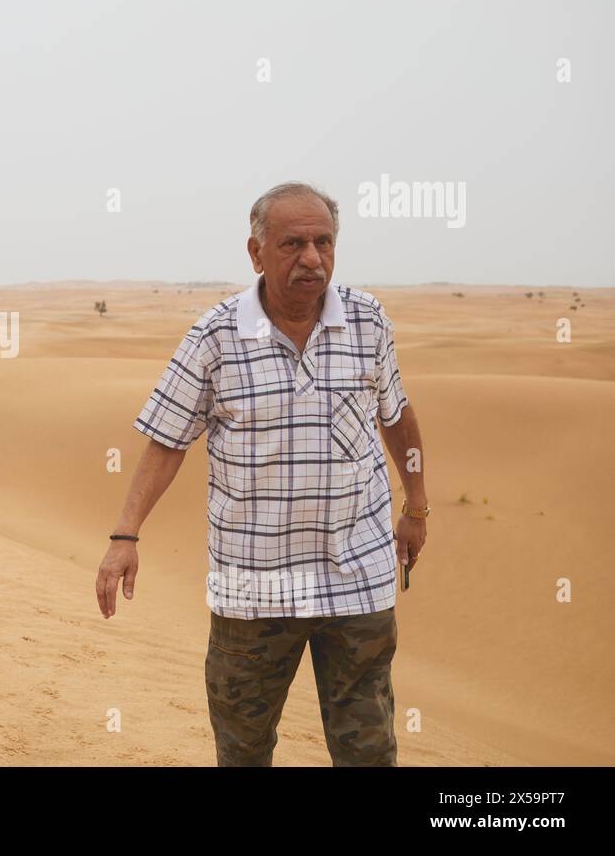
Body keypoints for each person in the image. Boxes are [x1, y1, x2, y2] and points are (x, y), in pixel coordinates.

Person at [96, 181, 429, 766]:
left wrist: (417, 505)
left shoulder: (368, 320)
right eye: (292, 243)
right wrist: (126, 534)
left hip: (356, 579)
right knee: (244, 751)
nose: (311, 258)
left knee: (369, 751)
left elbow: (395, 415)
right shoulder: (216, 336)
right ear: (255, 252)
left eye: (324, 242)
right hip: (254, 590)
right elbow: (167, 440)